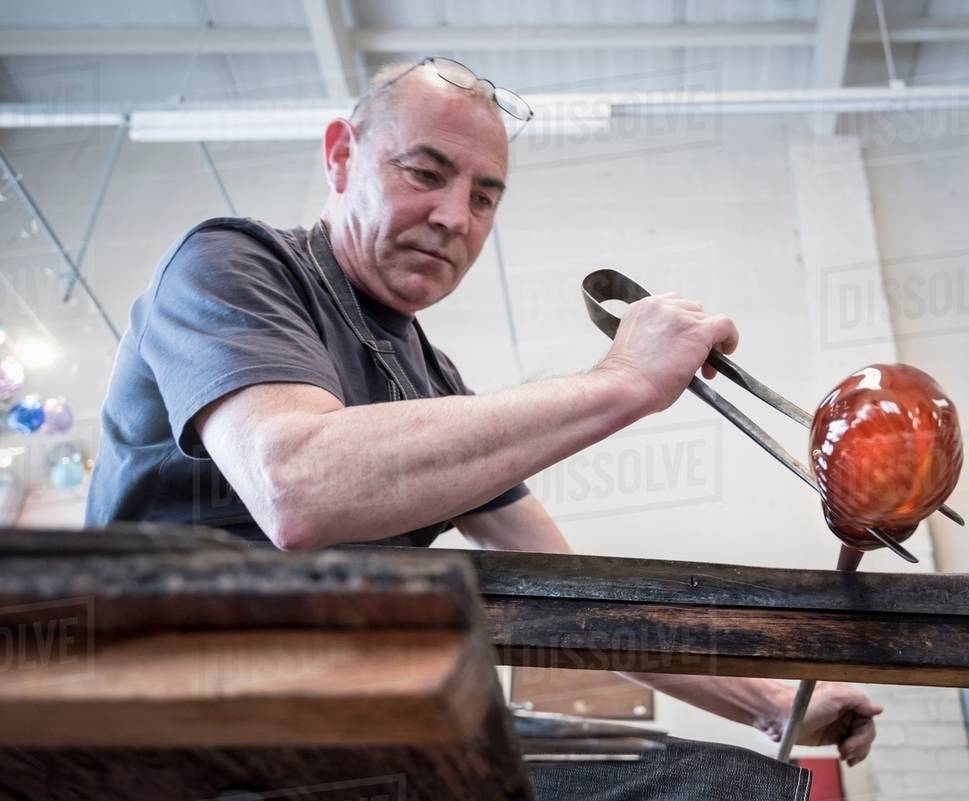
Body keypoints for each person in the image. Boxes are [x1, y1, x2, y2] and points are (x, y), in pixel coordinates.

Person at [85, 57, 882, 789]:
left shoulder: (432, 381)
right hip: (174, 724)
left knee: (729, 783)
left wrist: (771, 701)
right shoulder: (234, 268)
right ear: (339, 154)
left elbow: (570, 595)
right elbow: (298, 483)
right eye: (424, 172)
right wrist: (625, 381)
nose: (453, 217)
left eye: (484, 196)